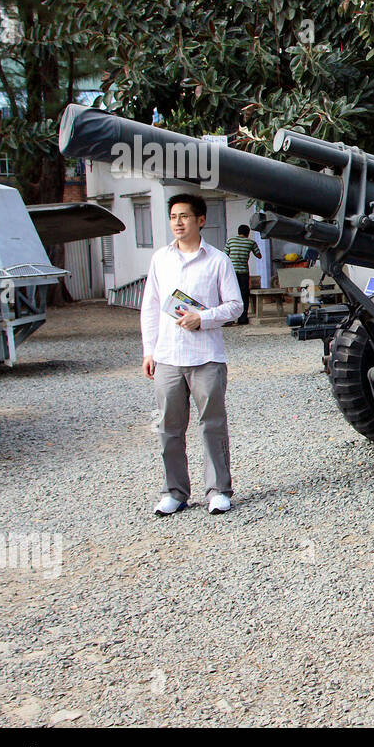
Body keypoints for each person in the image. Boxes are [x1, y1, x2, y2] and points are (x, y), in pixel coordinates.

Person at [140, 193, 244, 515]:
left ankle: (218, 490)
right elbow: (151, 307)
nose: (178, 223)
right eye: (173, 217)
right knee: (168, 427)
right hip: (168, 356)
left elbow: (236, 307)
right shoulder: (160, 259)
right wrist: (149, 350)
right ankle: (174, 492)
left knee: (211, 424)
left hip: (206, 357)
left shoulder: (218, 260)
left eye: (184, 216)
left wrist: (204, 318)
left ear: (201, 220)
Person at [224, 224, 261, 325]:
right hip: (244, 272)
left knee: (230, 294)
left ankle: (229, 319)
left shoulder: (230, 241)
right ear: (248, 233)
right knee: (244, 295)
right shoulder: (251, 242)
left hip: (232, 272)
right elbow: (259, 256)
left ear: (238, 232)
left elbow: (225, 255)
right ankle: (242, 318)